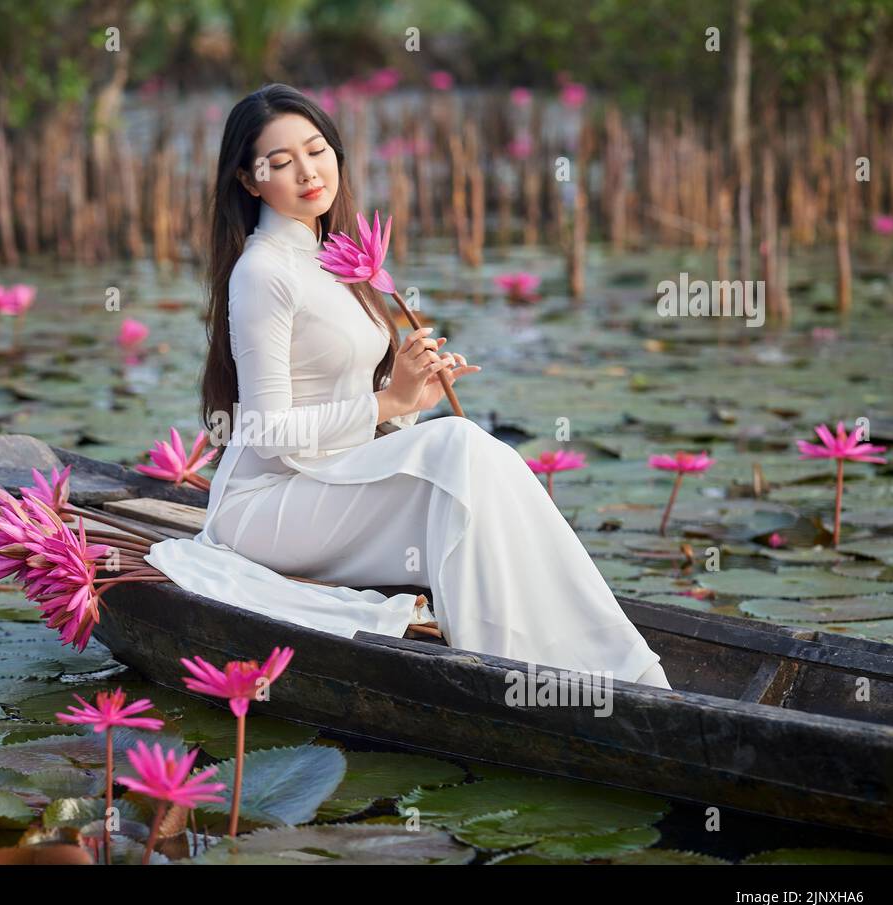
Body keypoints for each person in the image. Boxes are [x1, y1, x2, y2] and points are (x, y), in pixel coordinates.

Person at [150, 83, 671, 690]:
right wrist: (388, 401)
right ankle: (520, 675)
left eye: (317, 151)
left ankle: (578, 666)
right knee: (460, 449)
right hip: (268, 503)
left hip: (330, 483)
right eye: (281, 163)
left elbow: (366, 425)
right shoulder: (263, 271)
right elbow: (266, 437)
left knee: (471, 460)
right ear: (248, 180)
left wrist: (412, 399)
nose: (308, 173)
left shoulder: (333, 258)